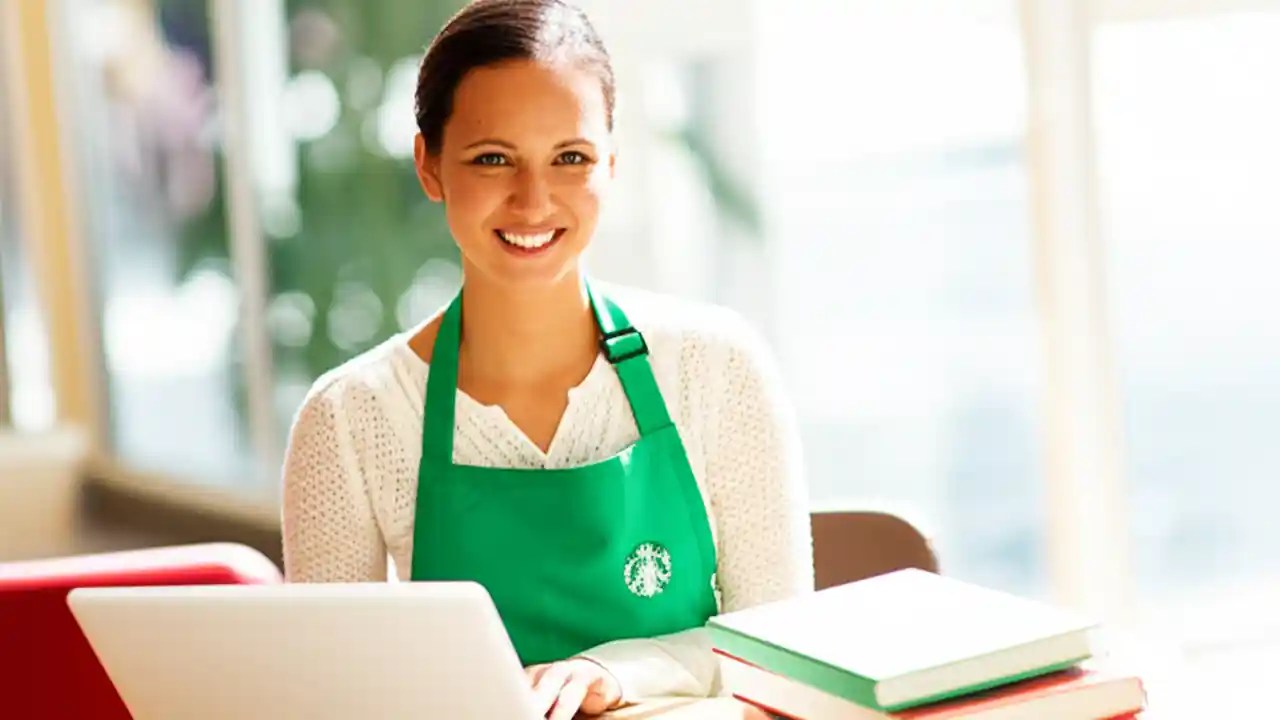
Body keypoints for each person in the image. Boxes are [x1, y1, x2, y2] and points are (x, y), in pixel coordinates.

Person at [280, 1, 813, 717]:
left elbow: (784, 663)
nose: (533, 201)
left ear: (612, 165)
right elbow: (333, 697)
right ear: (430, 166)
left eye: (571, 158)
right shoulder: (351, 418)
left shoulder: (717, 368)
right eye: (492, 159)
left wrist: (615, 673)